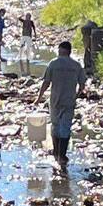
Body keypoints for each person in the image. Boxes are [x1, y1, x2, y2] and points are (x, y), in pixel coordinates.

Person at [36, 40, 87, 169]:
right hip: (69, 101)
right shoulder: (76, 65)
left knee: (55, 125)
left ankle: (56, 153)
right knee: (65, 127)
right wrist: (75, 95)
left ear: (60, 50)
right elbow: (82, 85)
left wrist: (39, 98)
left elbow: (46, 83)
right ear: (69, 52)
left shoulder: (53, 64)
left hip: (55, 100)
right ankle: (62, 156)